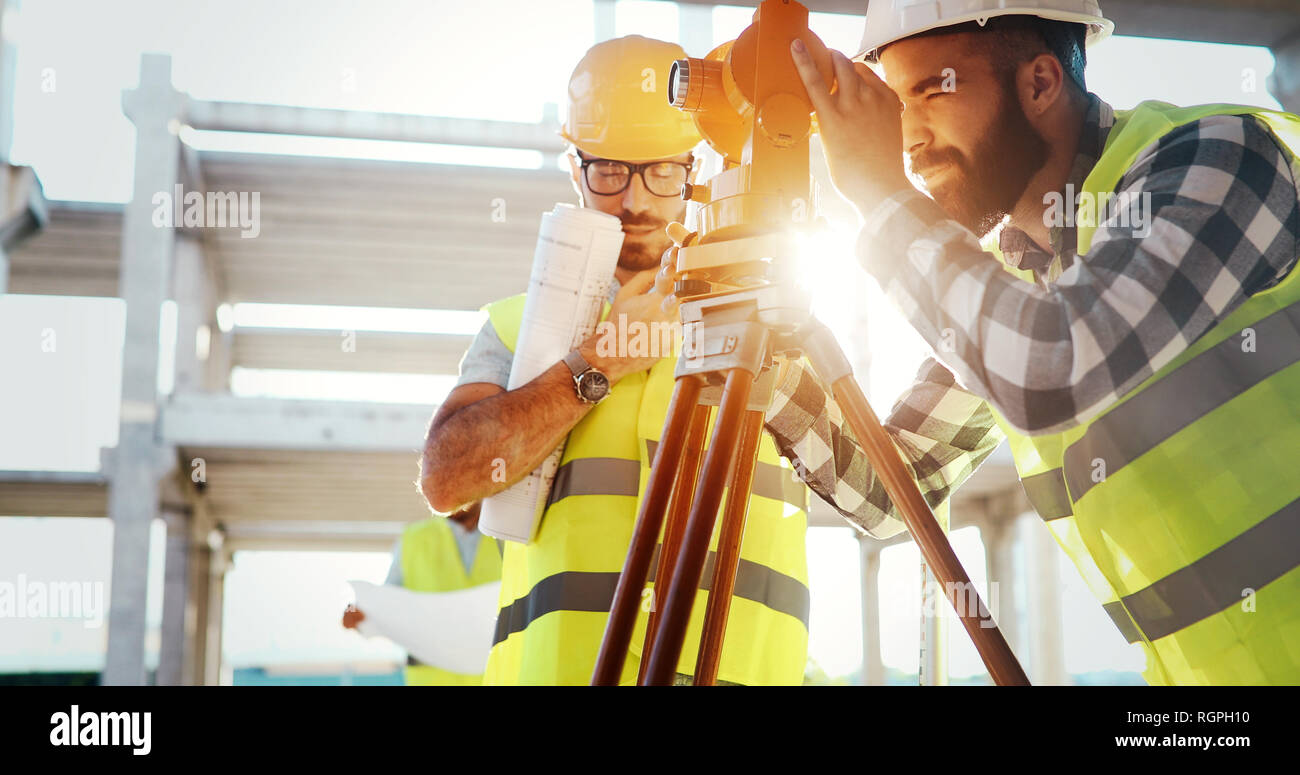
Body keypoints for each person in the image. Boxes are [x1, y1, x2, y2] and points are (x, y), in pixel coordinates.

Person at [750, 0, 1300, 685]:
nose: (906, 140)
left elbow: (1057, 366)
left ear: (1040, 83)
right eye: (893, 107)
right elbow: (893, 495)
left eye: (932, 92)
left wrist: (883, 198)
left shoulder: (1221, 157)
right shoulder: (1019, 286)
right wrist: (767, 356)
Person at [419, 35, 813, 685]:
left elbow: (875, 493)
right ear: (576, 169)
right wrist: (596, 364)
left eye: (662, 170)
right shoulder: (516, 327)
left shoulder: (772, 318)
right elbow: (447, 478)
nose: (635, 200)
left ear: (698, 167)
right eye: (609, 170)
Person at [343, 503, 501, 685]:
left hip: (497, 675)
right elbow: (388, 603)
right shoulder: (413, 538)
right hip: (430, 678)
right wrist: (362, 616)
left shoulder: (509, 536)